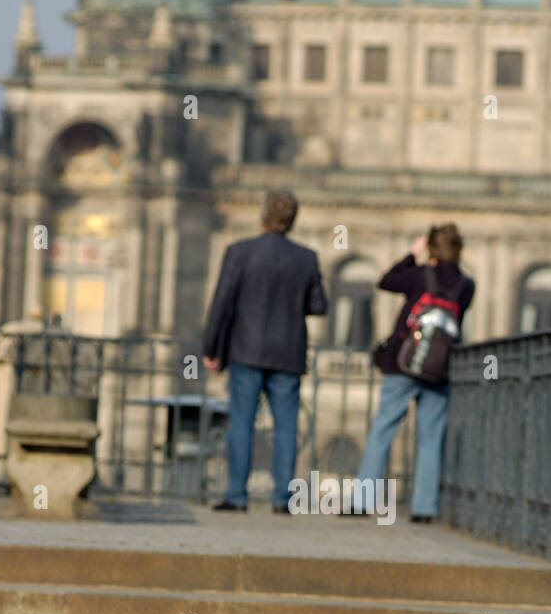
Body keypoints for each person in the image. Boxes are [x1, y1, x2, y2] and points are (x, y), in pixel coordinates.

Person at [201, 190, 328, 514]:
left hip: (245, 351)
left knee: (241, 424)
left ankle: (236, 496)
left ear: (263, 215)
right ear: (292, 220)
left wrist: (210, 348)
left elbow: (221, 305)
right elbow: (319, 306)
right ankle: (283, 499)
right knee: (286, 427)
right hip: (288, 354)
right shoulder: (307, 257)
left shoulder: (239, 252)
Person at [353, 224, 475, 523]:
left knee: (383, 429)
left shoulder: (419, 275)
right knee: (430, 438)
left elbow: (385, 281)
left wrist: (412, 253)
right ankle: (424, 508)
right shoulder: (466, 284)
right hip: (439, 369)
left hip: (403, 364)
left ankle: (363, 501)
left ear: (431, 248)